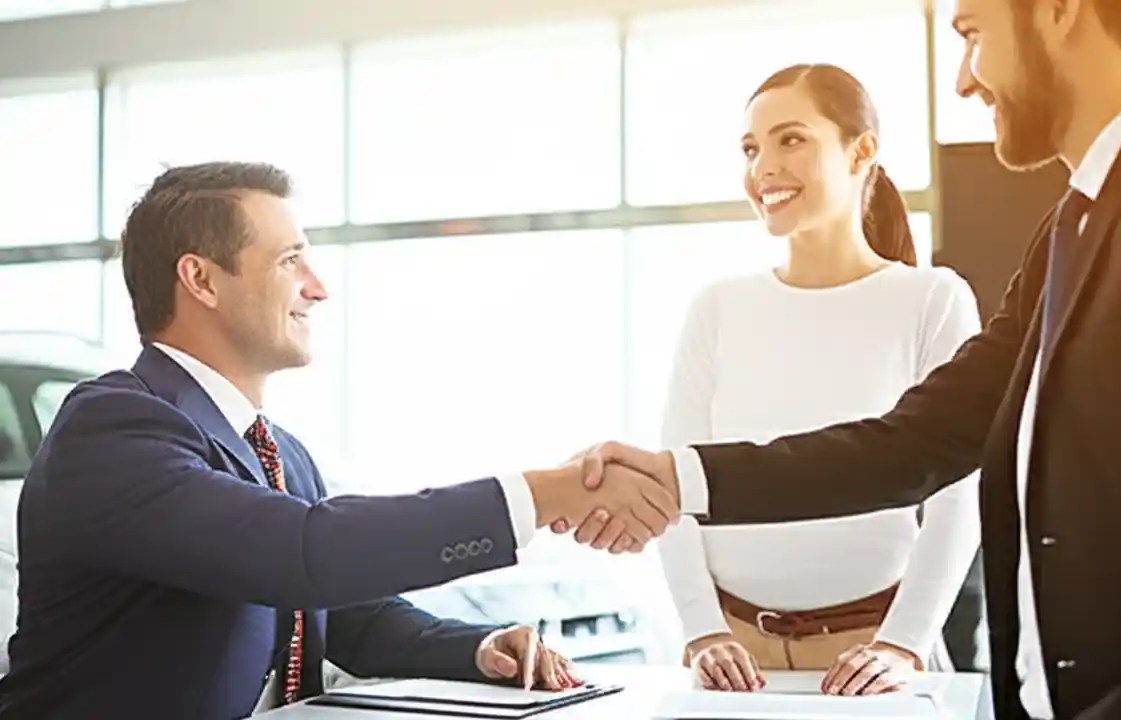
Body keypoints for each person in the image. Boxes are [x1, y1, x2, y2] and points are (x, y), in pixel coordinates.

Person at [573, 0, 1121, 717]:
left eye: (972, 35)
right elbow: (914, 443)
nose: (966, 81)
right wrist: (676, 476)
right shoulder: (1071, 227)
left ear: (1061, 12)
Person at [0, 162, 678, 720]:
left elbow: (345, 614)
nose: (318, 289)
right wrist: (545, 493)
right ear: (200, 279)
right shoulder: (112, 428)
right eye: (291, 260)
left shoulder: (281, 451)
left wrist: (477, 650)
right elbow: (306, 553)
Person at [655, 63, 981, 695]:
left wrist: (903, 647)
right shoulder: (717, 307)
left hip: (872, 667)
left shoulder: (931, 298)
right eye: (752, 148)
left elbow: (956, 496)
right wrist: (701, 630)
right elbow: (675, 488)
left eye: (791, 139)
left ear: (862, 151)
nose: (763, 168)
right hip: (730, 669)